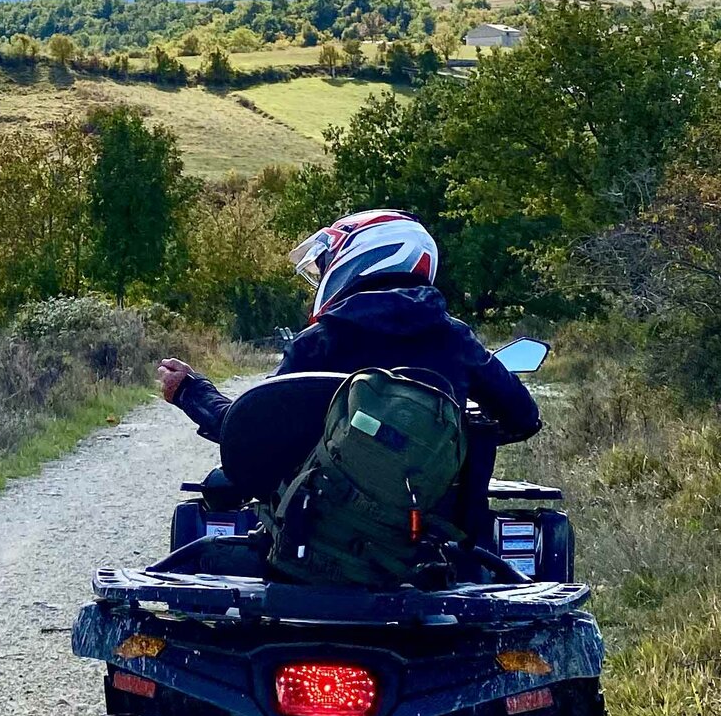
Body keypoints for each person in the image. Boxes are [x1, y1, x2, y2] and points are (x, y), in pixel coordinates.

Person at [159, 210, 541, 516]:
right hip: (436, 539)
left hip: (316, 529)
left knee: (223, 489)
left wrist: (192, 392)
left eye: (327, 263)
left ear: (363, 256)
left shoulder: (318, 344)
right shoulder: (456, 339)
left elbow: (249, 430)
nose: (324, 274)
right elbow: (523, 418)